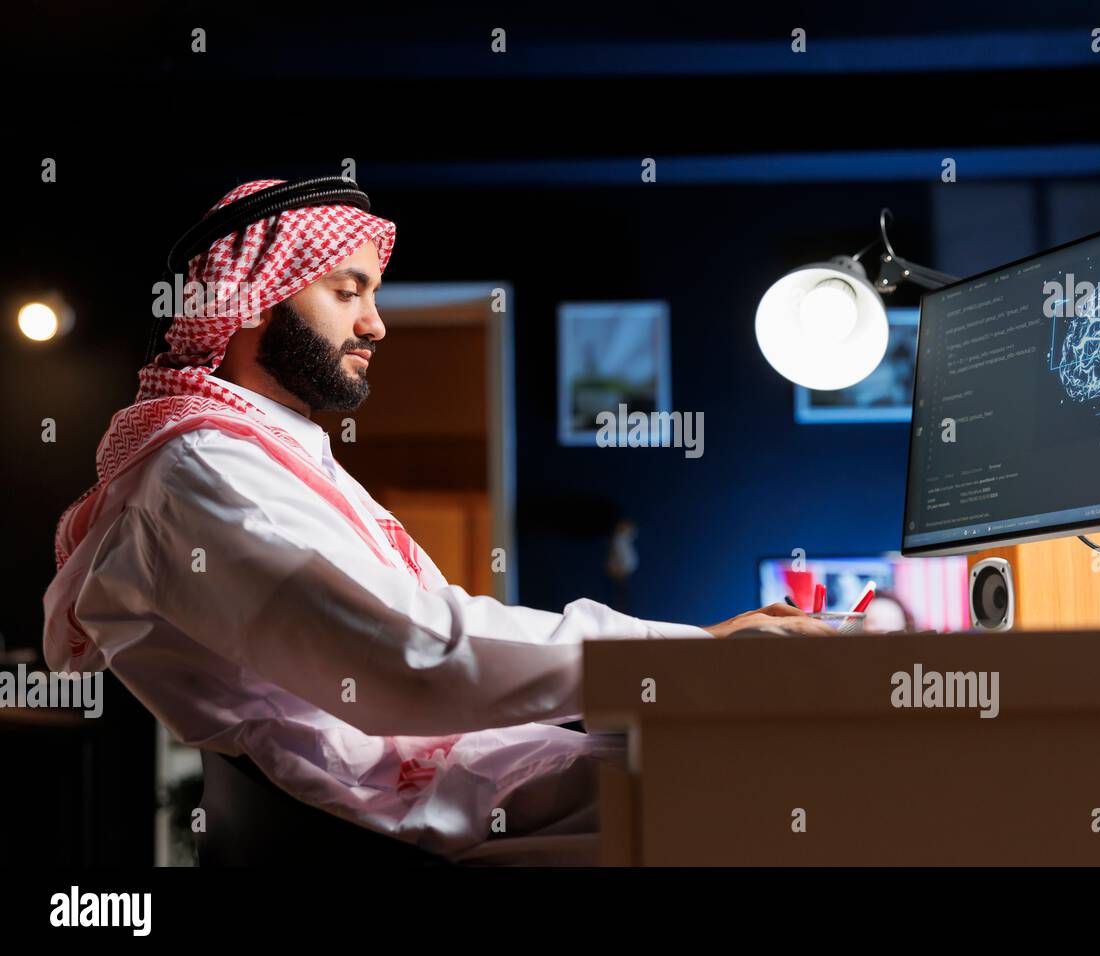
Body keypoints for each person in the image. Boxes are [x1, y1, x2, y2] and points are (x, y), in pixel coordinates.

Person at [42, 177, 833, 865]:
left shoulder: (252, 451)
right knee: (795, 787)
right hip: (397, 809)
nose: (375, 323)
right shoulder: (203, 470)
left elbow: (420, 645)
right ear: (251, 299)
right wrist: (695, 655)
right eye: (347, 292)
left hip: (427, 778)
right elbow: (413, 656)